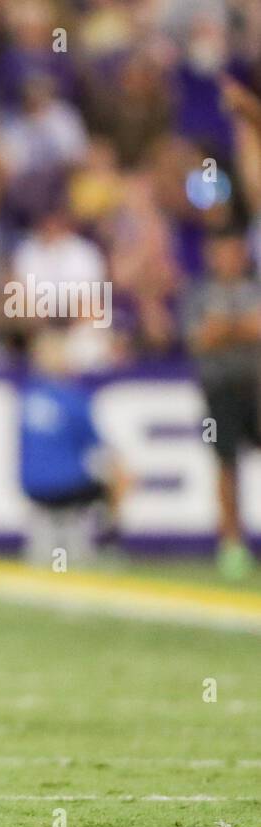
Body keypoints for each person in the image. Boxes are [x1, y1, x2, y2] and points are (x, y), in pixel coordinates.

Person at [183, 227, 261, 579]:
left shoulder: (253, 289)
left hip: (256, 386)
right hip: (220, 389)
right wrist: (239, 328)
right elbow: (200, 339)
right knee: (226, 464)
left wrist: (224, 330)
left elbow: (226, 332)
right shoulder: (199, 294)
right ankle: (231, 543)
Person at [19, 330, 126, 569]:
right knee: (120, 476)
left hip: (32, 487)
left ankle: (58, 546)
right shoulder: (73, 400)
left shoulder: (26, 398)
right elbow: (99, 447)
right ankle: (108, 542)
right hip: (68, 487)